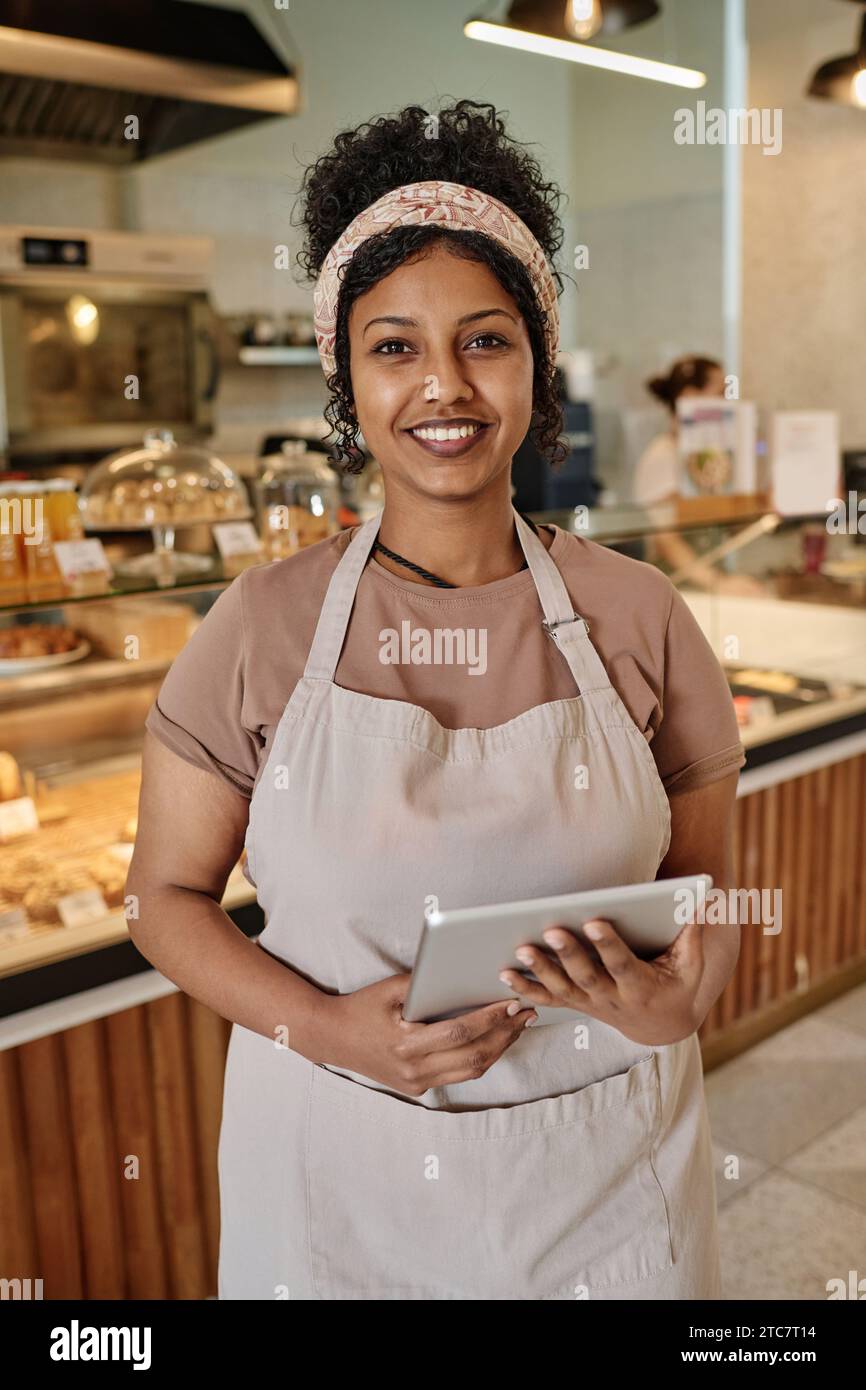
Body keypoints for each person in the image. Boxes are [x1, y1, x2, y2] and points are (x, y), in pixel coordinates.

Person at [128, 100, 745, 1301]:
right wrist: (330, 1030)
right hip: (338, 1188)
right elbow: (162, 902)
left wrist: (682, 1004)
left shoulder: (639, 615)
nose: (443, 385)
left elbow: (711, 894)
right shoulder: (261, 625)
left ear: (535, 361)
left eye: (485, 339)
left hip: (607, 1192)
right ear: (344, 378)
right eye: (394, 346)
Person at [633, 355, 766, 596]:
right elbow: (666, 542)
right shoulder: (662, 455)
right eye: (721, 393)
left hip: (706, 587)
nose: (728, 402)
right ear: (690, 397)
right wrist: (717, 583)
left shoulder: (711, 456)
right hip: (676, 590)